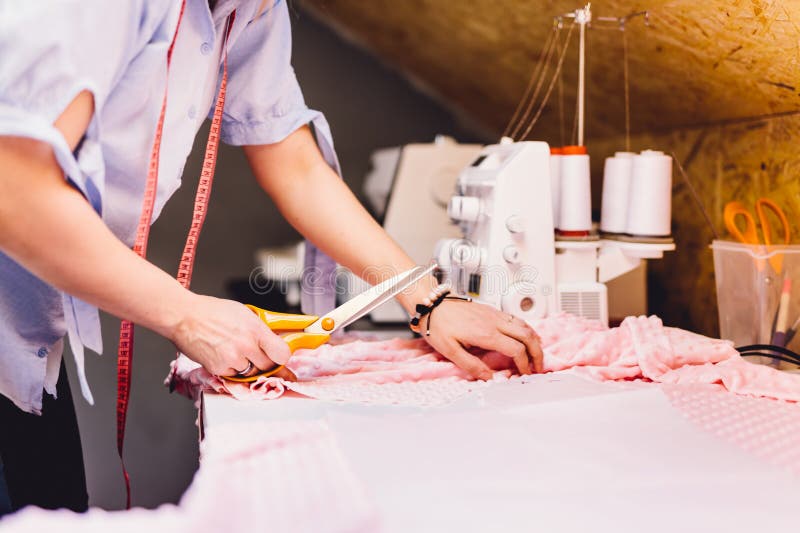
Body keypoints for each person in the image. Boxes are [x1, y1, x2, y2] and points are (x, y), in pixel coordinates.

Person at [0, 0, 543, 513]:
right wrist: (187, 314)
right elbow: (13, 187)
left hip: (19, 340)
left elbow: (293, 160)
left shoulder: (250, 10)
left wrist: (428, 300)